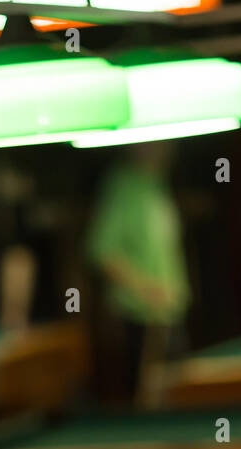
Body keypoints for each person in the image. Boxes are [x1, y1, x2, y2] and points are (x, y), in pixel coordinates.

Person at [85, 140, 191, 409]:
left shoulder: (155, 182)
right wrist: (147, 290)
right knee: (153, 407)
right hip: (141, 319)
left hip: (169, 314)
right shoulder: (124, 185)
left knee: (178, 401)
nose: (167, 147)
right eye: (158, 142)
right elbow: (101, 251)